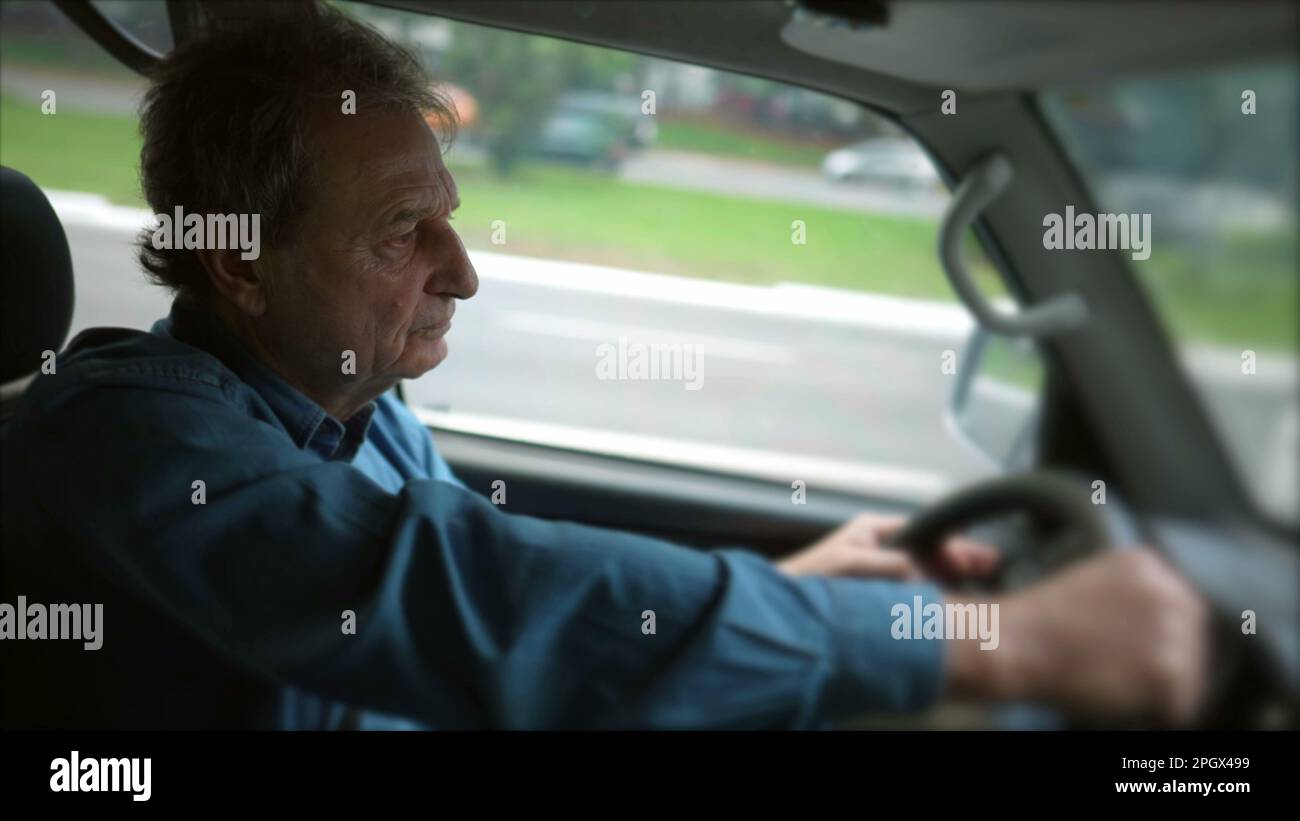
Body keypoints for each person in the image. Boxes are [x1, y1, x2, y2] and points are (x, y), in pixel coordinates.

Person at [0, 1, 1207, 730]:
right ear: (242, 267)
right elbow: (469, 590)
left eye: (448, 215)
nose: (462, 272)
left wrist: (801, 582)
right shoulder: (123, 439)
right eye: (397, 234)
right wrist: (996, 641)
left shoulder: (352, 406)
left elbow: (517, 596)